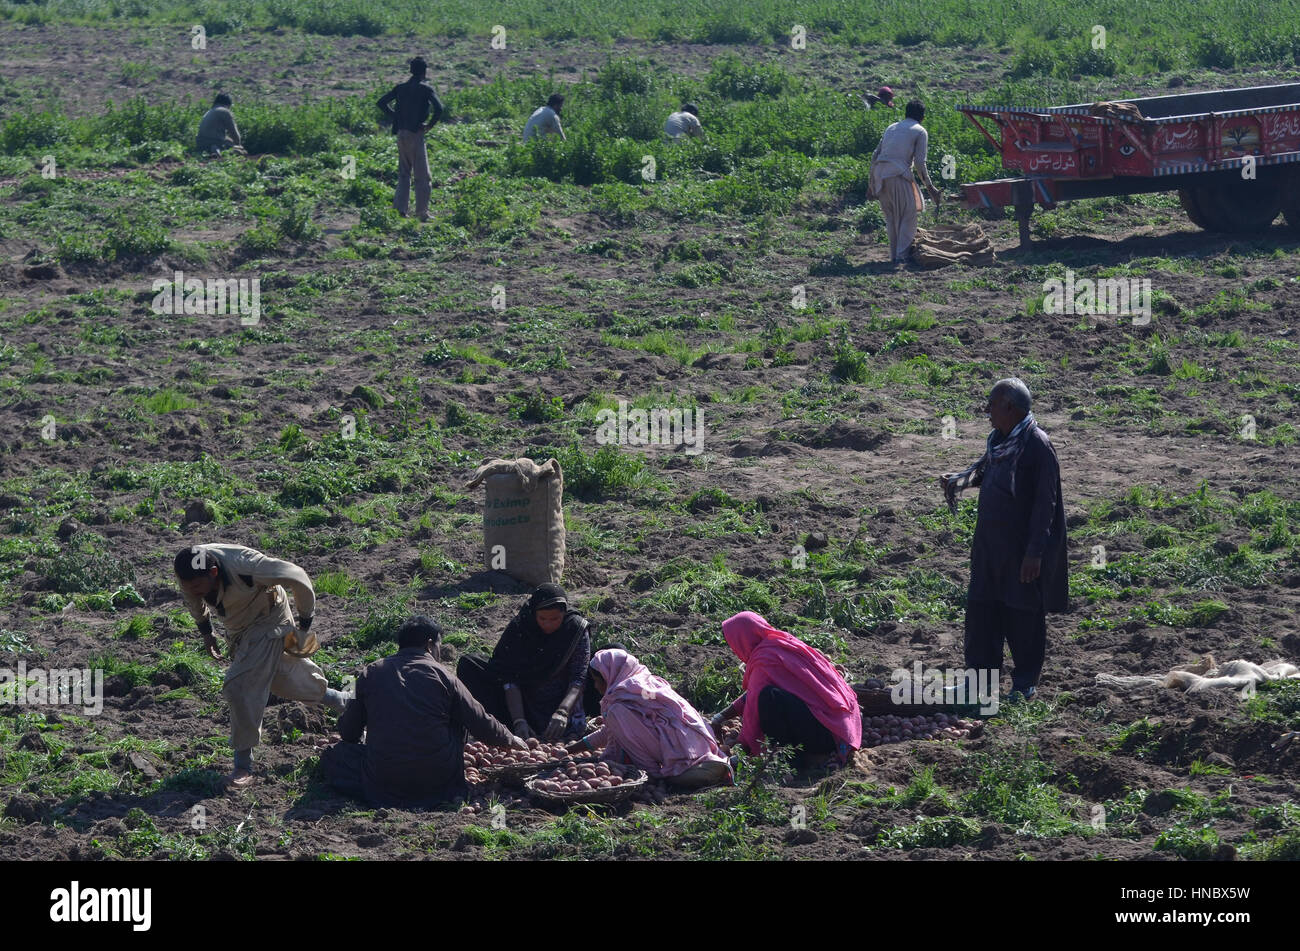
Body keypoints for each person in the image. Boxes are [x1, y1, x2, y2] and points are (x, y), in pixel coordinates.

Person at [173, 544, 349, 788]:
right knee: (282, 679)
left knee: (239, 686)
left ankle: (243, 764)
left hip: (269, 619)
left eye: (197, 587)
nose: (194, 592)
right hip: (239, 629)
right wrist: (206, 631)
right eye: (187, 586)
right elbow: (192, 598)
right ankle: (345, 703)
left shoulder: (246, 566)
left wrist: (304, 623)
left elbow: (296, 575)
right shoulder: (189, 567)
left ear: (213, 573)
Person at [940, 378, 1068, 704]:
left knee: (1023, 616)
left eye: (992, 404)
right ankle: (978, 685)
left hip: (1020, 552)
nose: (987, 411)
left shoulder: (1037, 446)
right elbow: (984, 471)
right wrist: (958, 481)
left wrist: (1035, 553)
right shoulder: (1000, 440)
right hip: (989, 548)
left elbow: (1045, 505)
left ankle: (1024, 685)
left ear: (1010, 407)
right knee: (983, 613)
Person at [321, 616, 525, 808]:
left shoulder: (371, 672)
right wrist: (509, 739)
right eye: (439, 646)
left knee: (335, 756)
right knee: (457, 713)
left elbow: (348, 732)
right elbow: (480, 721)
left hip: (384, 781)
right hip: (440, 781)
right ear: (430, 644)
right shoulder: (446, 676)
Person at [710, 612, 861, 766]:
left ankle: (789, 760)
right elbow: (752, 693)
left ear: (741, 640)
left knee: (769, 698)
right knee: (770, 695)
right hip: (842, 726)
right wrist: (720, 717)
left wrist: (744, 750)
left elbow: (754, 710)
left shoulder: (764, 661)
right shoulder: (781, 642)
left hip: (826, 736)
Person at [569, 649, 732, 789]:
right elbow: (610, 731)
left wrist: (651, 775)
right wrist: (572, 750)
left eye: (598, 681)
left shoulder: (617, 706)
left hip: (681, 752)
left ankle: (707, 771)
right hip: (694, 744)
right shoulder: (644, 685)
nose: (596, 687)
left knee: (674, 780)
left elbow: (633, 742)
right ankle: (716, 764)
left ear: (610, 675)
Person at [457, 583, 590, 741]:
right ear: (534, 614)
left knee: (609, 660)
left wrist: (563, 711)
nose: (548, 624)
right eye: (542, 618)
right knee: (470, 664)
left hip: (563, 698)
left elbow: (578, 677)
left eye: (555, 618)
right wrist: (519, 720)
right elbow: (508, 676)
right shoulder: (520, 628)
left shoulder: (574, 629)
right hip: (522, 699)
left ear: (564, 613)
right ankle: (511, 728)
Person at [869, 100, 943, 265]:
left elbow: (875, 154)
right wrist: (931, 189)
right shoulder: (919, 131)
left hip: (880, 175)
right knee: (908, 216)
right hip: (897, 175)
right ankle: (902, 257)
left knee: (892, 218)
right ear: (922, 117)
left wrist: (871, 183)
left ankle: (894, 256)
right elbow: (919, 163)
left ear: (906, 113)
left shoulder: (892, 127)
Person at [377, 56, 444, 222]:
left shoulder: (401, 88)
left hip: (401, 133)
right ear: (424, 72)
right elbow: (439, 108)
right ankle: (422, 213)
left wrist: (396, 118)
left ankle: (399, 210)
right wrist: (429, 126)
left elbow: (381, 102)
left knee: (404, 173)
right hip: (415, 133)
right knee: (422, 175)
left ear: (411, 71)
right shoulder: (425, 89)